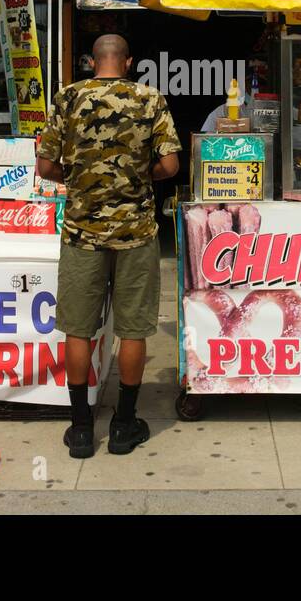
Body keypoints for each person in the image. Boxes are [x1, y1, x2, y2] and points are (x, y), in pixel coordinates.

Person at [36, 34, 181, 459]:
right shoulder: (150, 99)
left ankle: (81, 428)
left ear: (92, 61)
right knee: (133, 329)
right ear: (129, 61)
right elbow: (170, 165)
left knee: (79, 328)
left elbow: (45, 166)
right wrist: (137, 178)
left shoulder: (67, 98)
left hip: (81, 233)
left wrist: (81, 176)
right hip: (136, 233)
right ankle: (123, 426)